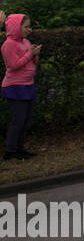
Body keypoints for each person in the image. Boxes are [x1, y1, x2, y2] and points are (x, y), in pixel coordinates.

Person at [2, 13, 40, 162]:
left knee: (26, 120)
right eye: (25, 27)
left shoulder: (25, 41)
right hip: (15, 86)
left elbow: (32, 61)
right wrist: (30, 53)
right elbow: (14, 65)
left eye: (29, 26)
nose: (28, 29)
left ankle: (20, 148)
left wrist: (34, 53)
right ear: (16, 27)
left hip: (27, 85)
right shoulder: (8, 44)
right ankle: (10, 151)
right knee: (18, 120)